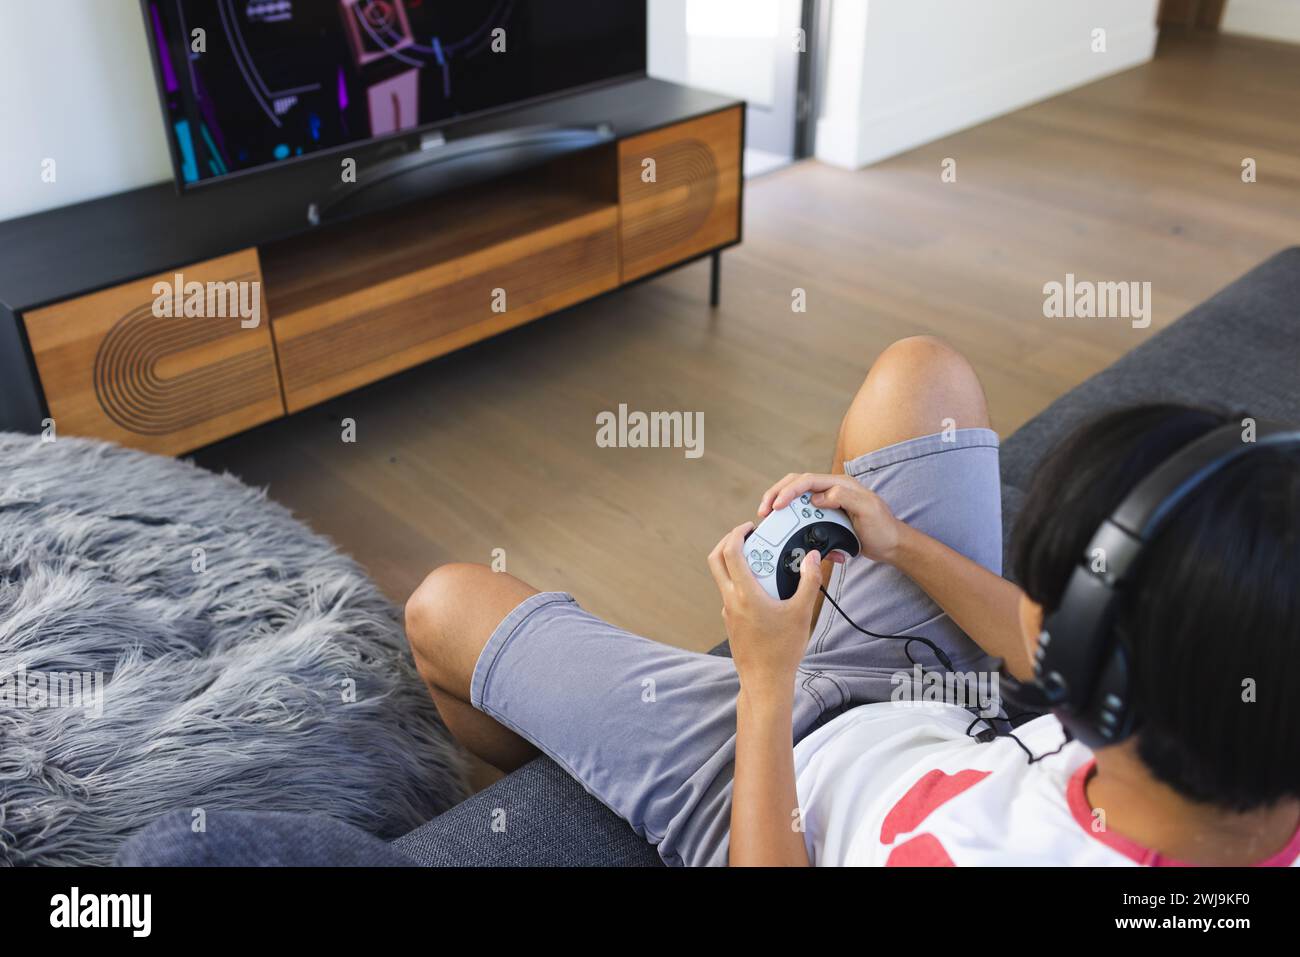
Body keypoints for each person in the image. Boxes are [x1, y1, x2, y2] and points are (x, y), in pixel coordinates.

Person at [404, 336, 1300, 866]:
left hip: (761, 783)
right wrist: (897, 542)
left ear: (1103, 687)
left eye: (1055, 610)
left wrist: (763, 675)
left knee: (441, 610)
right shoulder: (1240, 734)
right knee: (923, 372)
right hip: (947, 708)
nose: (1040, 618)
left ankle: (571, 776)